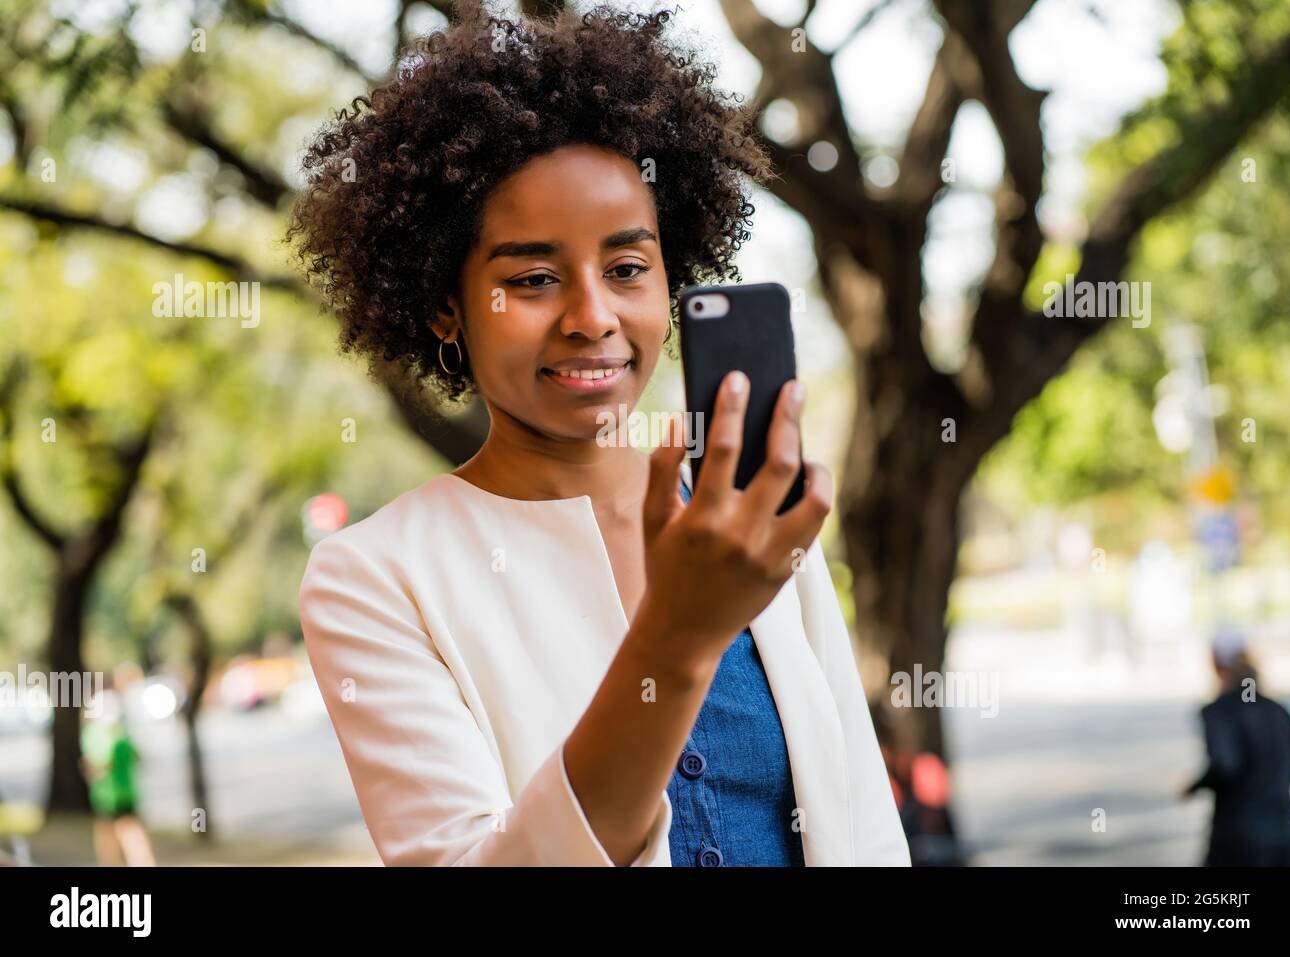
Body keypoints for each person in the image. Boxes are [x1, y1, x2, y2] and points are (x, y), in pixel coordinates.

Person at [291, 1, 909, 867]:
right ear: (443, 304)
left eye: (627, 268)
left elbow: (864, 829)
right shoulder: (375, 579)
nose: (593, 317)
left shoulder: (745, 513)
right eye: (535, 278)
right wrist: (680, 634)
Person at [1182, 626, 1290, 866]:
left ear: (1215, 663)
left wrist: (1194, 786)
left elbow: (1226, 764)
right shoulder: (1277, 710)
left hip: (1239, 839)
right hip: (1286, 835)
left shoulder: (1219, 711)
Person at [80, 688, 156, 867]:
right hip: (127, 790)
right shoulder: (123, 736)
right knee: (128, 830)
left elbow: (98, 764)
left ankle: (115, 862)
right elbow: (137, 758)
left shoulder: (96, 735)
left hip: (108, 794)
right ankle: (142, 861)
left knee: (111, 832)